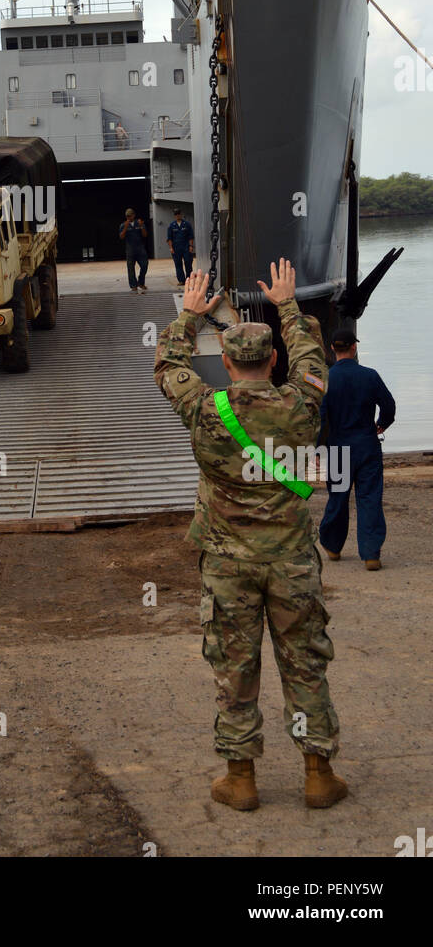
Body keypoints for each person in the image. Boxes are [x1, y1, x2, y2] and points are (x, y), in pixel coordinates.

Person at [154, 260, 346, 812]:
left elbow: (168, 365)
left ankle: (240, 779)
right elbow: (313, 359)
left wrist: (189, 315)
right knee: (304, 663)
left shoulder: (204, 408)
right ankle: (317, 774)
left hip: (228, 564)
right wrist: (288, 306)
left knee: (234, 668)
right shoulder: (301, 403)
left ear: (227, 362)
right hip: (291, 561)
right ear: (273, 360)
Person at [319, 328, 395, 571]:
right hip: (366, 445)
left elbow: (321, 418)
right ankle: (371, 554)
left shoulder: (326, 379)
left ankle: (333, 546)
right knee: (369, 498)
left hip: (338, 447)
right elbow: (389, 405)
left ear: (332, 348)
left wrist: (318, 448)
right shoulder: (370, 376)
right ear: (354, 347)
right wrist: (382, 424)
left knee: (338, 497)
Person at [119, 208, 148, 293]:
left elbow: (145, 235)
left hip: (140, 249)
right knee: (131, 268)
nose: (128, 217)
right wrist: (125, 227)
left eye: (130, 216)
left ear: (134, 215)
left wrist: (142, 226)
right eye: (127, 216)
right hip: (130, 250)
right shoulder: (123, 225)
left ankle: (141, 282)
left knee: (145, 265)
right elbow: (121, 237)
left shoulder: (139, 223)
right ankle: (133, 285)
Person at [166, 207, 195, 284]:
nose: (177, 215)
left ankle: (189, 279)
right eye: (176, 214)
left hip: (186, 247)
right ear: (174, 215)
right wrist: (171, 248)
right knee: (178, 264)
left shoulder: (187, 224)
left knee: (188, 263)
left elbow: (191, 236)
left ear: (181, 214)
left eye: (178, 214)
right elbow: (169, 238)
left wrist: (191, 246)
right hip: (176, 248)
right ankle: (181, 280)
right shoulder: (171, 225)